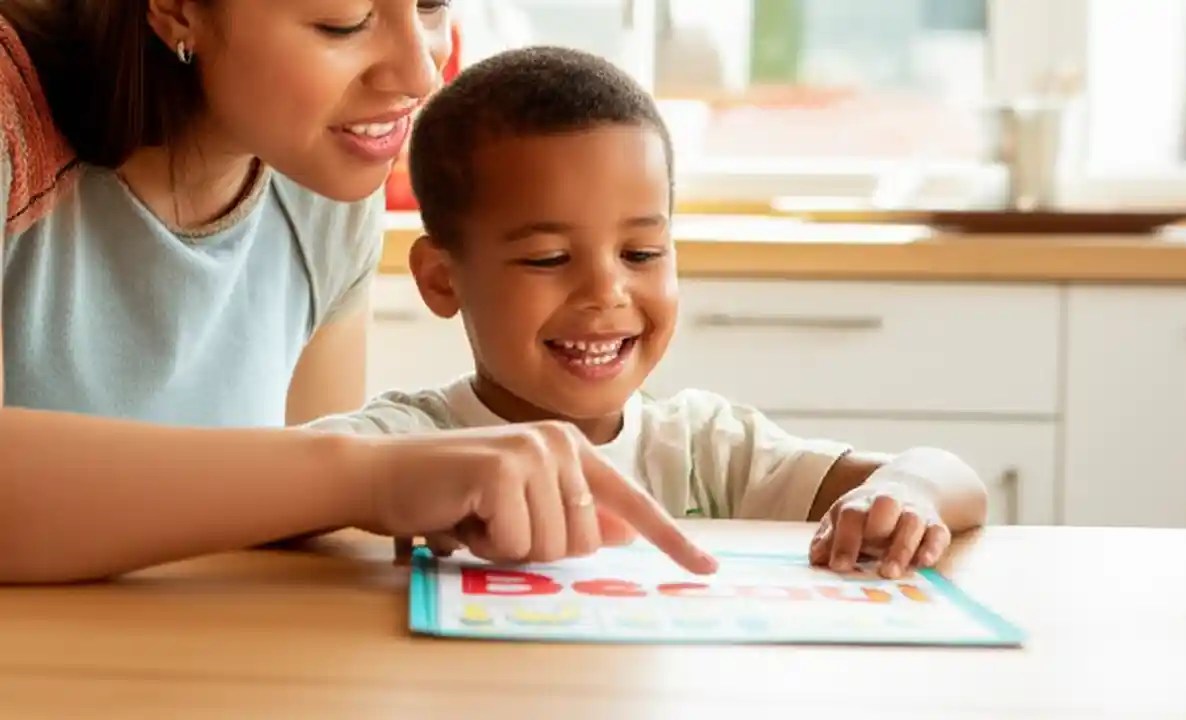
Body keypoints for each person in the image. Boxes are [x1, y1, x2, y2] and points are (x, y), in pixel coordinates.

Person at [0, 1, 715, 585]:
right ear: (176, 10)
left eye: (431, 5)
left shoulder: (321, 186)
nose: (421, 72)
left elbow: (303, 533)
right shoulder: (12, 124)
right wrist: (370, 477)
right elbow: (330, 479)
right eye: (344, 22)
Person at [306, 46, 990, 578]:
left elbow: (952, 476)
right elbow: (278, 491)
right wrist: (386, 490)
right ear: (440, 279)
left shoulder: (703, 450)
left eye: (641, 252)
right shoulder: (411, 439)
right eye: (547, 258)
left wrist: (906, 491)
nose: (607, 294)